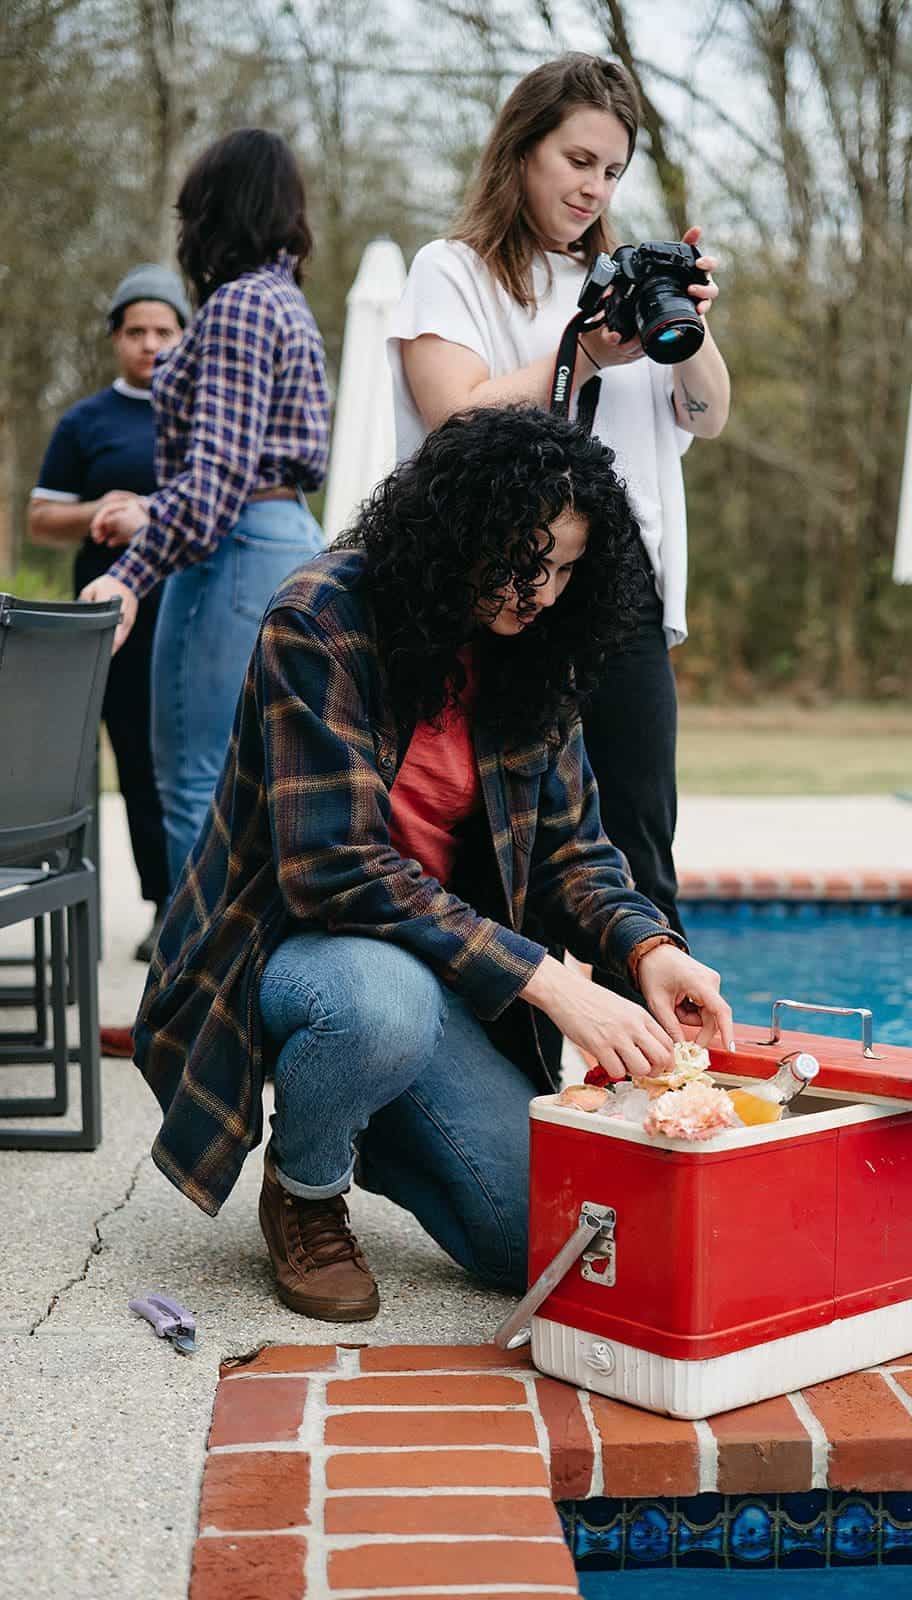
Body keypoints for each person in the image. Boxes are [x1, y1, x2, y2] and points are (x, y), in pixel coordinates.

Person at [132, 406, 733, 1322]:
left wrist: (649, 947)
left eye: (567, 568)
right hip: (292, 949)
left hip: (442, 967)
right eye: (523, 560)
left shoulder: (535, 651)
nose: (539, 592)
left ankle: (372, 1103)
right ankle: (306, 1186)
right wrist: (549, 983)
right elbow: (333, 866)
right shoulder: (320, 617)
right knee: (380, 1004)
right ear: (454, 532)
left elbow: (574, 848)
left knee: (527, 1242)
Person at [387, 53, 730, 1001]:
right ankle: (507, 1111)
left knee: (639, 861)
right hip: (499, 601)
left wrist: (686, 327)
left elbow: (705, 418)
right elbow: (453, 415)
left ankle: (657, 1113)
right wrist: (578, 349)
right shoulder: (451, 272)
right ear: (521, 150)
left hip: (621, 604)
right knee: (497, 858)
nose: (594, 188)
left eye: (612, 171)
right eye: (577, 160)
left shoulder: (621, 281)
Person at [79, 129, 329, 887]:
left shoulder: (236, 308)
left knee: (197, 786)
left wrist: (128, 574)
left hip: (233, 558)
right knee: (265, 789)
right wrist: (153, 509)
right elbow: (250, 465)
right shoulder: (284, 302)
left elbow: (219, 480)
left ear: (214, 212)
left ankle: (201, 994)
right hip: (285, 541)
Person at [28, 265, 190, 962]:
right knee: (126, 758)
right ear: (116, 338)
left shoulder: (202, 416)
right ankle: (104, 904)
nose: (150, 344)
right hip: (108, 618)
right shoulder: (85, 420)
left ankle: (176, 909)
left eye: (164, 330)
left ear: (184, 336)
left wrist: (154, 513)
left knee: (177, 764)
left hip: (183, 610)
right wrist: (104, 508)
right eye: (137, 331)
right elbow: (40, 517)